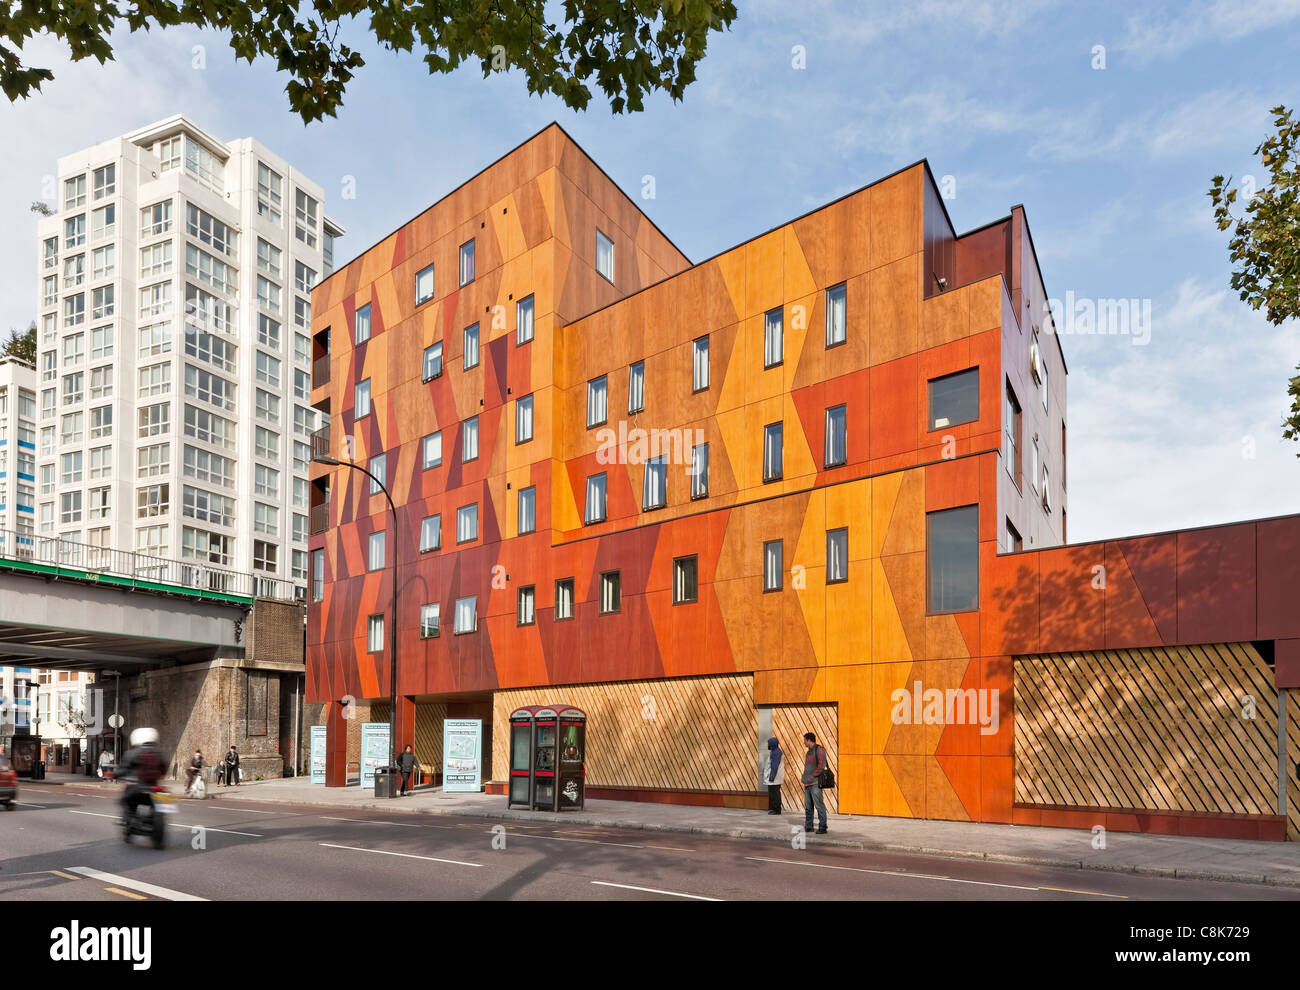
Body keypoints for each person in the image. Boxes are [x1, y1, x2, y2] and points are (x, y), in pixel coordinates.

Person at [117, 728, 165, 823]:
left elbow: (122, 770)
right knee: (162, 801)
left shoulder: (130, 753)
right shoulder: (159, 753)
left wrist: (115, 775)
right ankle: (154, 818)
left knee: (124, 800)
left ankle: (126, 819)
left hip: (136, 787)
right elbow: (164, 768)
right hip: (155, 787)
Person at [801, 732, 828, 834]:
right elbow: (807, 767)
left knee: (819, 805)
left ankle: (823, 827)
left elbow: (821, 765)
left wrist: (813, 776)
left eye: (804, 740)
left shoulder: (819, 749)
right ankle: (809, 826)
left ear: (808, 740)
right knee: (808, 806)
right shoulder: (808, 752)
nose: (803, 742)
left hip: (815, 783)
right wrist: (804, 777)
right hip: (807, 783)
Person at [764, 736, 784, 815]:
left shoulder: (776, 753)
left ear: (772, 744)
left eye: (769, 744)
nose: (768, 745)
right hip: (774, 778)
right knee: (774, 793)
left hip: (774, 778)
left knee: (775, 794)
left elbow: (774, 766)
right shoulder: (774, 751)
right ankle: (774, 809)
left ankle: (776, 809)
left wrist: (771, 777)